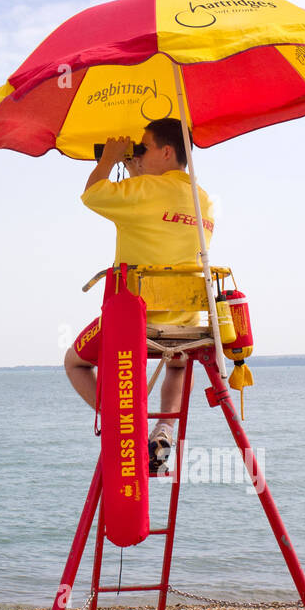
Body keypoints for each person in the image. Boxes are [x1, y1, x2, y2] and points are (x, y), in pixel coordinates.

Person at [64, 118, 215, 473]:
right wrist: (138, 171)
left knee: (74, 362)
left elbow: (93, 195)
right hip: (188, 321)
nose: (138, 155)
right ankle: (165, 428)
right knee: (176, 362)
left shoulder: (144, 192)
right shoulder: (203, 199)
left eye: (142, 149)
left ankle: (126, 424)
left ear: (166, 151)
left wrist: (110, 159)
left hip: (139, 320)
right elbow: (154, 211)